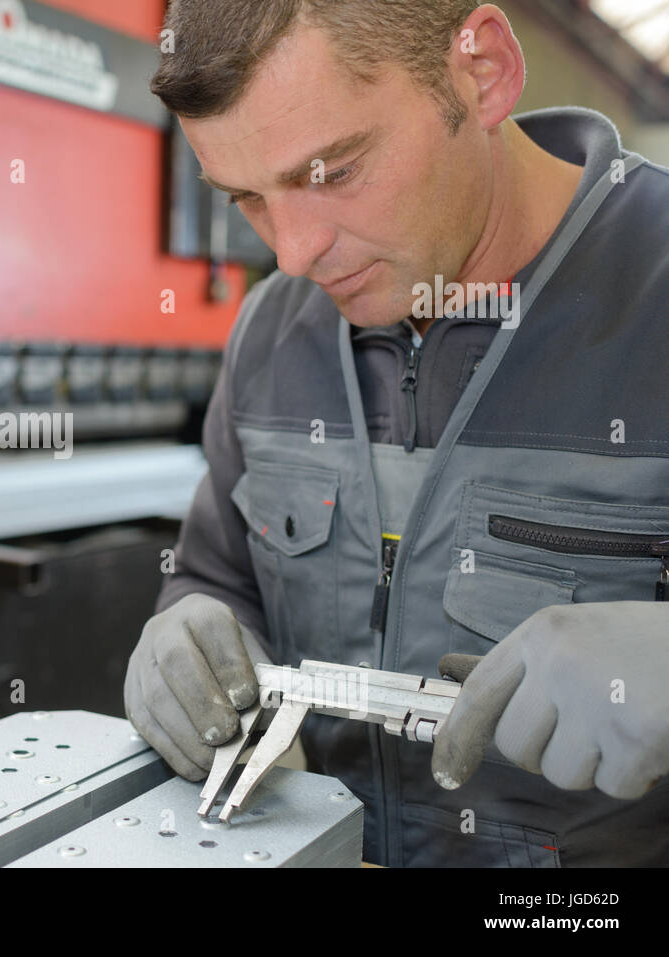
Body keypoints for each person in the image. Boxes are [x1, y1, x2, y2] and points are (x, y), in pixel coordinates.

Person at [126, 0, 669, 866]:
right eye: (247, 200)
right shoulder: (273, 330)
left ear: (481, 71)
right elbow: (218, 572)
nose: (295, 253)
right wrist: (185, 630)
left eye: (331, 170)